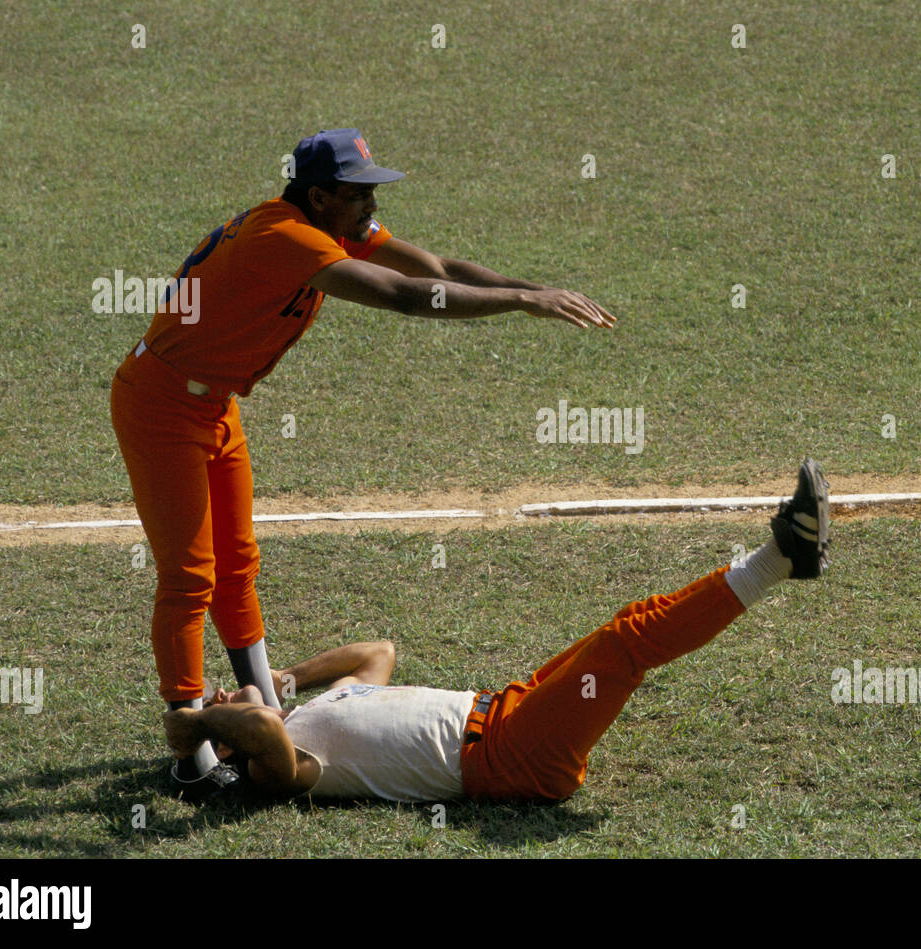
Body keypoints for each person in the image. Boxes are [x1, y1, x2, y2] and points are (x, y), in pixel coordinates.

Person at [112, 128, 617, 799]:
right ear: (320, 196)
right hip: (163, 403)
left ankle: (264, 705)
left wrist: (535, 288)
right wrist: (524, 302)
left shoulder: (332, 227)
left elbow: (432, 269)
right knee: (190, 577)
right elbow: (408, 298)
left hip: (213, 403)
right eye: (360, 192)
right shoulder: (284, 235)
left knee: (238, 564)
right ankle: (190, 757)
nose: (371, 203)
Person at [163, 457, 830, 803]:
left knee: (626, 627)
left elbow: (378, 651)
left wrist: (285, 679)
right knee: (626, 648)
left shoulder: (312, 708)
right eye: (218, 705)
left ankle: (782, 559)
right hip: (509, 757)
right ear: (227, 749)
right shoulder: (278, 767)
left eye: (215, 694)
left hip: (506, 707)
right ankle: (778, 559)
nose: (220, 691)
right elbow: (266, 732)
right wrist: (196, 724)